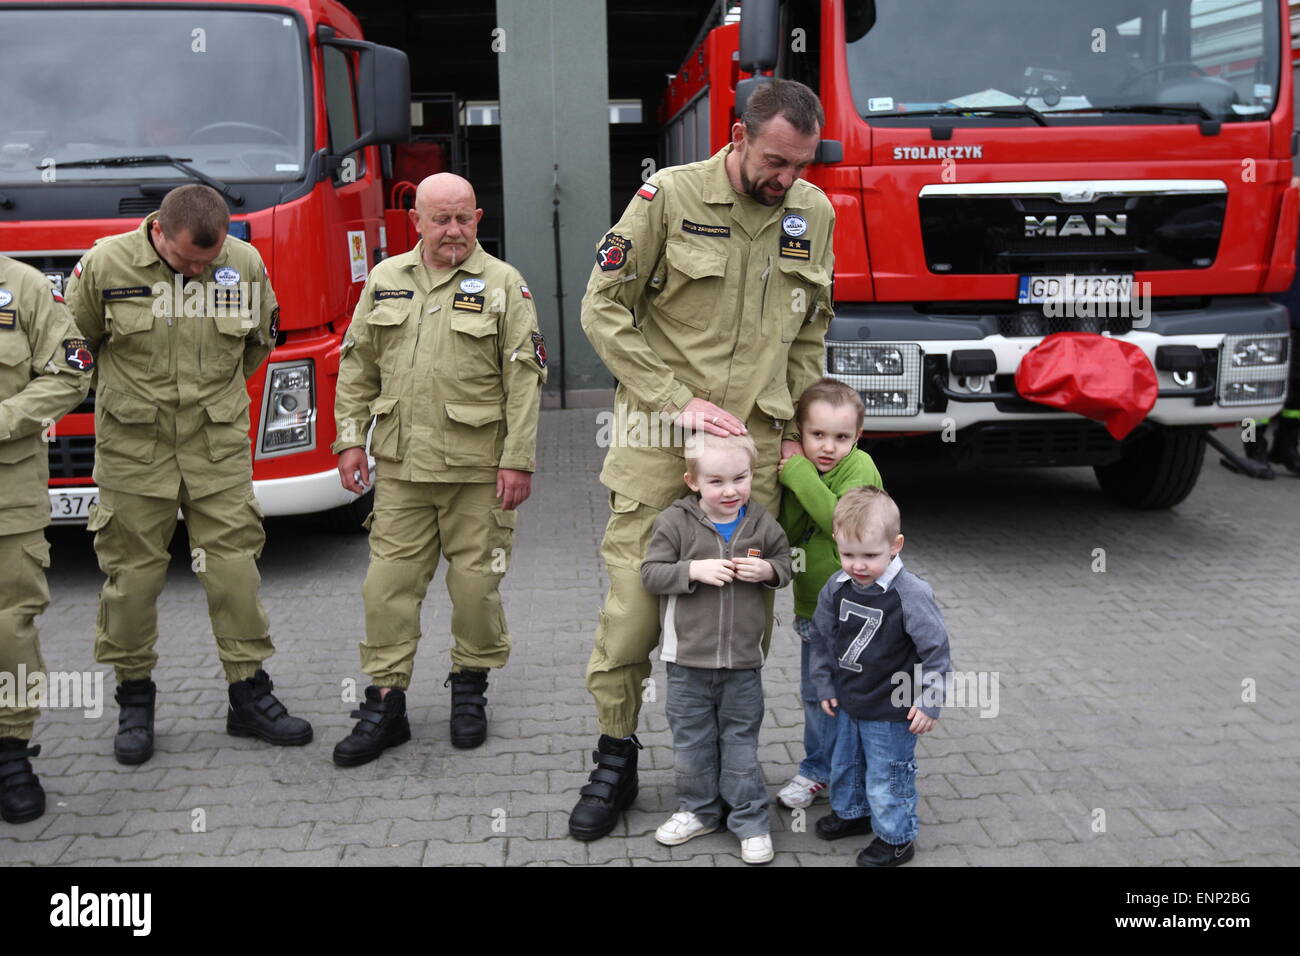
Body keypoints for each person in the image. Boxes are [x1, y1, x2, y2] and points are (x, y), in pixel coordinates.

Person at [571, 78, 836, 840]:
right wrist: (672, 397)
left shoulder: (811, 213)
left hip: (752, 459)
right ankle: (615, 758)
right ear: (736, 136)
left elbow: (810, 331)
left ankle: (727, 783)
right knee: (632, 617)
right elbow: (603, 305)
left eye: (800, 164)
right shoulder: (666, 198)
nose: (786, 179)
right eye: (775, 160)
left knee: (736, 626)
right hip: (662, 449)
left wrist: (798, 430)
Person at [65, 183, 312, 765]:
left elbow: (259, 343)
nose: (201, 269)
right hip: (134, 450)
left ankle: (249, 693)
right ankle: (134, 699)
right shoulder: (106, 264)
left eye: (209, 259)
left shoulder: (243, 263)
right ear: (158, 232)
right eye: (187, 260)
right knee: (133, 581)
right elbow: (77, 346)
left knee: (234, 573)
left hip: (216, 447)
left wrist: (214, 399)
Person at [331, 173, 547, 765]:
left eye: (463, 219)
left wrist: (517, 460)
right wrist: (350, 440)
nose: (453, 230)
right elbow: (357, 366)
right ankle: (385, 701)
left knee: (475, 589)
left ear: (478, 218)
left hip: (478, 472)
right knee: (386, 589)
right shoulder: (385, 281)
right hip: (401, 468)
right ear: (417, 223)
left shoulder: (505, 285)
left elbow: (524, 383)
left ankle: (470, 689)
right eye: (441, 219)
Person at [640, 432, 792, 864]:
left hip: (744, 664)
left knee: (741, 744)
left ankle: (749, 820)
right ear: (693, 481)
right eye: (717, 482)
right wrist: (692, 570)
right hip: (687, 663)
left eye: (740, 478)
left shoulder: (761, 522)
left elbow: (785, 564)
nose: (730, 491)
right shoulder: (675, 522)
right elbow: (650, 573)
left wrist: (767, 570)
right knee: (692, 745)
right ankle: (698, 810)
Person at [809, 487, 953, 867]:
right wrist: (823, 683)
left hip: (893, 708)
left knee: (888, 775)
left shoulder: (910, 593)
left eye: (870, 555)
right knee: (846, 763)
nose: (857, 565)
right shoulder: (837, 586)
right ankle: (853, 813)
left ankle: (896, 837)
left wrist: (930, 702)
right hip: (848, 698)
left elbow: (936, 652)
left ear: (896, 545)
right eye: (848, 554)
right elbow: (822, 639)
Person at [0, 256, 94, 822]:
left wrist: (4, 417)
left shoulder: (26, 288)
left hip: (6, 492)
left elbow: (70, 371)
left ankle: (10, 751)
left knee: (8, 623)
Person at [774, 378, 884, 810]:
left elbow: (841, 525)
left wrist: (800, 475)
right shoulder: (807, 473)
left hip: (857, 614)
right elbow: (786, 528)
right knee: (816, 692)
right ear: (799, 433)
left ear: (857, 437)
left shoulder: (860, 469)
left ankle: (853, 771)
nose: (828, 447)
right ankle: (817, 769)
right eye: (817, 435)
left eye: (841, 437)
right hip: (811, 609)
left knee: (854, 694)